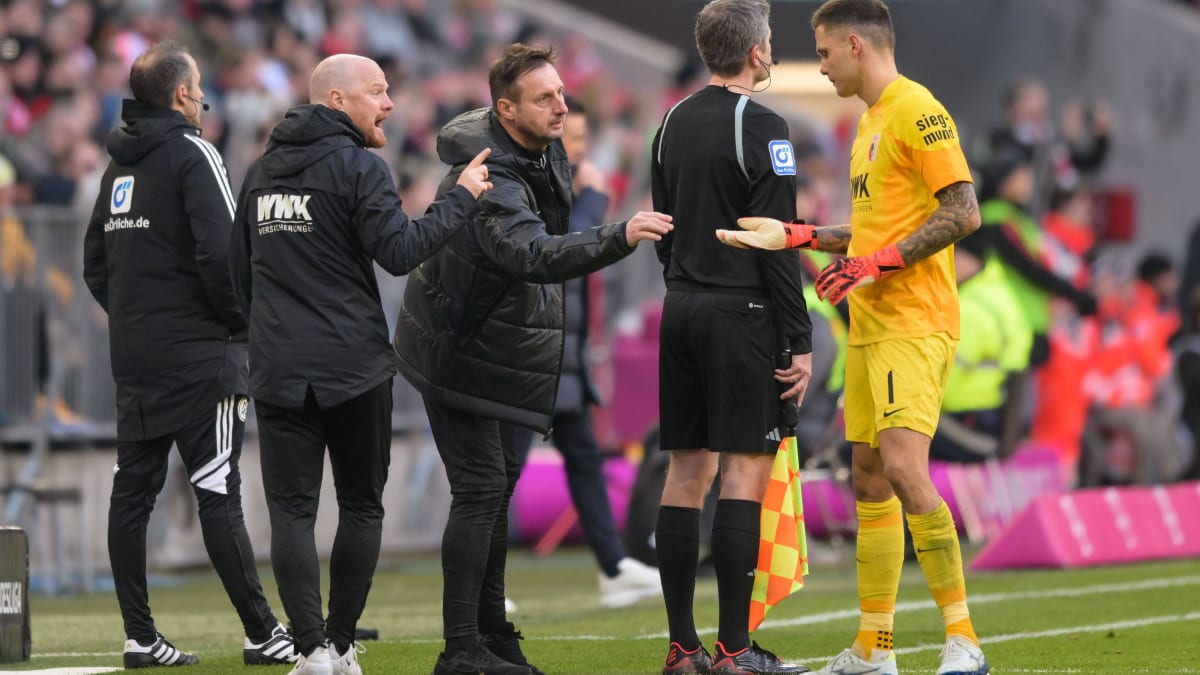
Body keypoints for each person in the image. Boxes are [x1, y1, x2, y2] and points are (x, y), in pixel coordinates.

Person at [717, 1, 990, 673]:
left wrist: (878, 264)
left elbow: (964, 210)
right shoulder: (868, 121)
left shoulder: (917, 108)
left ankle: (965, 641)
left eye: (824, 51)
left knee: (901, 465)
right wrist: (799, 236)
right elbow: (869, 234)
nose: (821, 63)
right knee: (868, 476)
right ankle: (875, 648)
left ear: (855, 45)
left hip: (912, 321)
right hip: (870, 327)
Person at [393, 43, 673, 675]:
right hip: (457, 348)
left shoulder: (542, 152)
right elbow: (530, 255)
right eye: (545, 97)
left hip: (492, 348)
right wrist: (619, 233)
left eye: (561, 93)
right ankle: (462, 647)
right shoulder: (491, 171)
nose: (561, 105)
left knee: (495, 490)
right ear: (505, 108)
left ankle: (490, 633)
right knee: (483, 490)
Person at [229, 53, 492, 675]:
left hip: (279, 370)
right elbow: (400, 252)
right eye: (378, 91)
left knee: (291, 513)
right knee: (361, 505)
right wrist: (458, 199)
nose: (391, 103)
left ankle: (312, 650)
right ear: (339, 100)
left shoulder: (261, 171)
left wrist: (272, 335)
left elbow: (238, 276)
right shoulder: (359, 167)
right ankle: (340, 646)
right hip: (352, 367)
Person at [81, 41, 296, 669]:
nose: (204, 96)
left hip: (137, 359)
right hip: (202, 359)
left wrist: (135, 321)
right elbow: (224, 256)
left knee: (133, 491)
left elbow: (95, 264)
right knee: (216, 489)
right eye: (198, 86)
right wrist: (239, 328)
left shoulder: (116, 168)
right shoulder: (194, 153)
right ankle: (263, 633)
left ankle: (140, 637)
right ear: (181, 94)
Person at [650, 1, 814, 673]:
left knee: (686, 471)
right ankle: (734, 649)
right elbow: (777, 243)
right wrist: (798, 338)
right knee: (744, 470)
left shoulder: (670, 120)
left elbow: (661, 221)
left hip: (681, 306)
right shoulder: (765, 124)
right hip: (740, 312)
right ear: (755, 53)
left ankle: (681, 645)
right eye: (770, 41)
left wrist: (685, 279)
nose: (772, 50)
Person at [509, 96, 662, 609]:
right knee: (502, 470)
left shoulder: (565, 188)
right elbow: (562, 248)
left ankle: (614, 566)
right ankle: (484, 583)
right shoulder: (529, 187)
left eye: (579, 140)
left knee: (585, 461)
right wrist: (595, 204)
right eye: (570, 140)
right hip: (529, 353)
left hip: (564, 353)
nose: (579, 151)